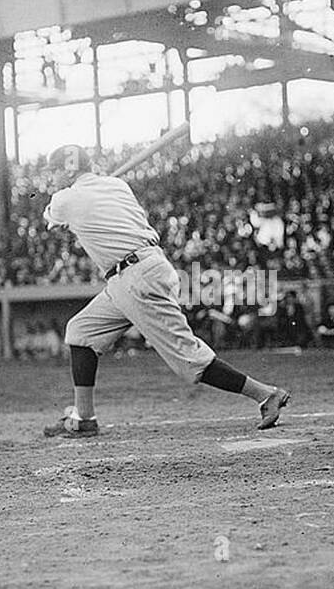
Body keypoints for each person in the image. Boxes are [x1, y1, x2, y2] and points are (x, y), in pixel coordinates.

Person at [38, 144, 290, 439]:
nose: (51, 177)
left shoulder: (65, 198)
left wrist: (62, 216)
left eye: (55, 170)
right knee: (81, 332)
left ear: (69, 169)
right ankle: (84, 417)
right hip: (134, 274)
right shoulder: (115, 185)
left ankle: (265, 394)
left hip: (136, 278)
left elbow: (52, 220)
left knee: (187, 360)